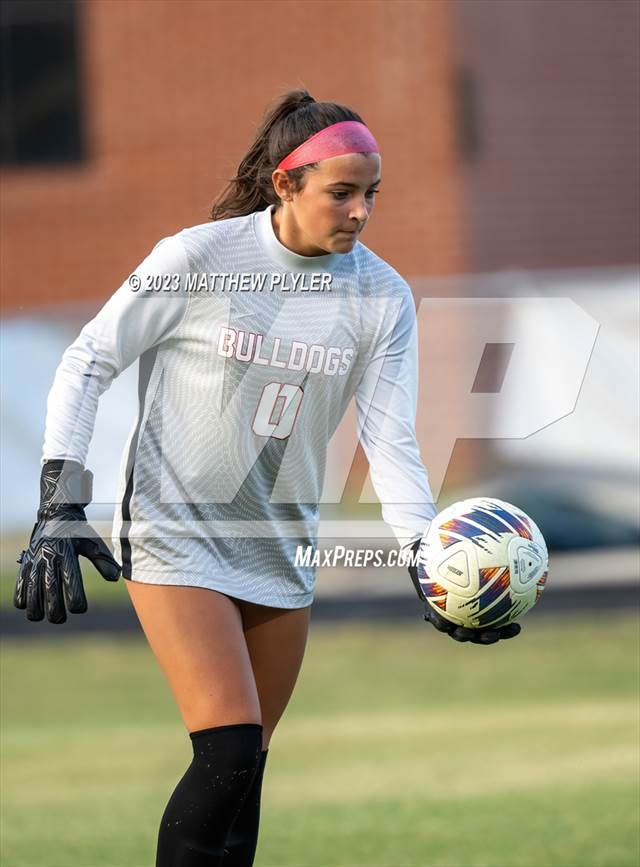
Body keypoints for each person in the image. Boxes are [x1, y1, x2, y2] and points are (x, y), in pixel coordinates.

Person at [14, 89, 520, 866]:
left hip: (280, 543)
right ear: (285, 184)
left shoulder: (381, 295)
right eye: (341, 192)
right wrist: (60, 500)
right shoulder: (196, 258)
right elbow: (88, 362)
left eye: (372, 194)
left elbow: (389, 441)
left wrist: (426, 558)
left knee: (244, 777)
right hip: (173, 531)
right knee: (228, 749)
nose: (360, 212)